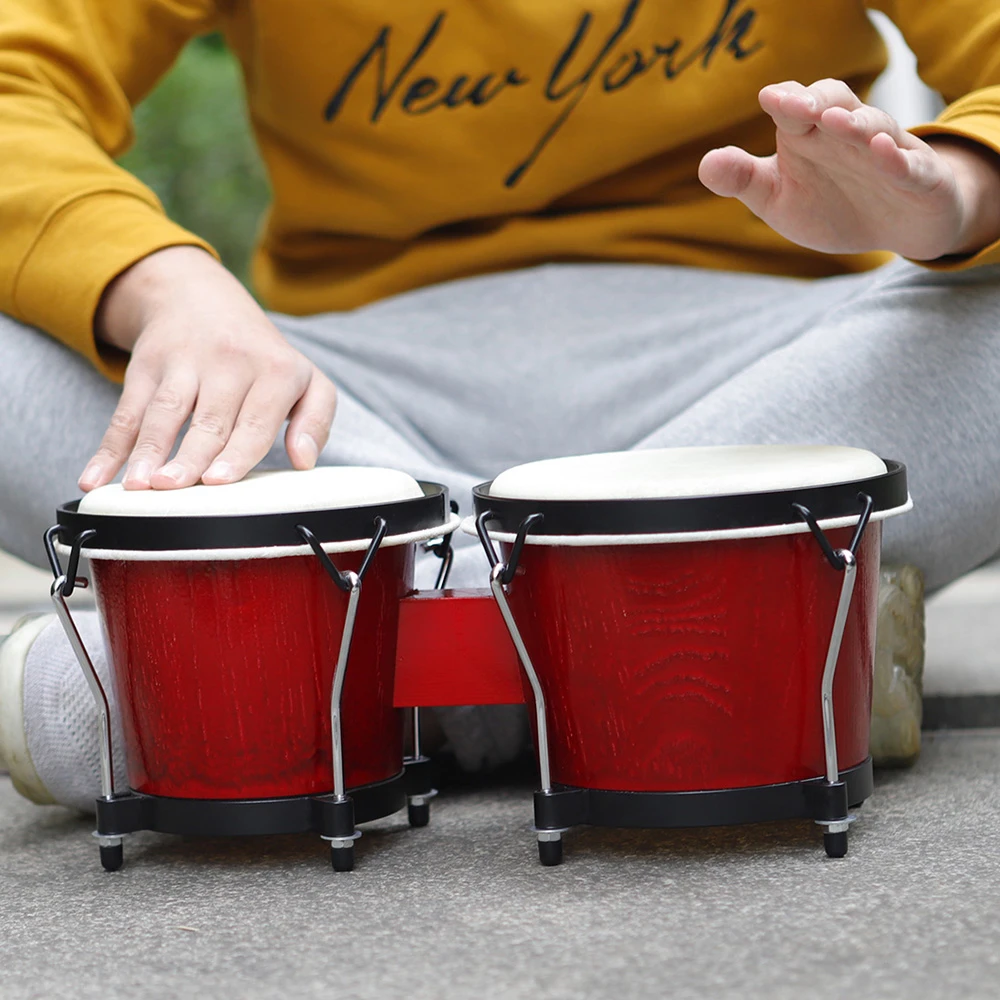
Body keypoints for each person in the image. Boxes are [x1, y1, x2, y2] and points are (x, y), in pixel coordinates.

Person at [1, 0, 999, 810]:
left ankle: (285, 684)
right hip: (345, 408)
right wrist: (159, 284)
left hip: (767, 382)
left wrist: (957, 191)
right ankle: (721, 647)